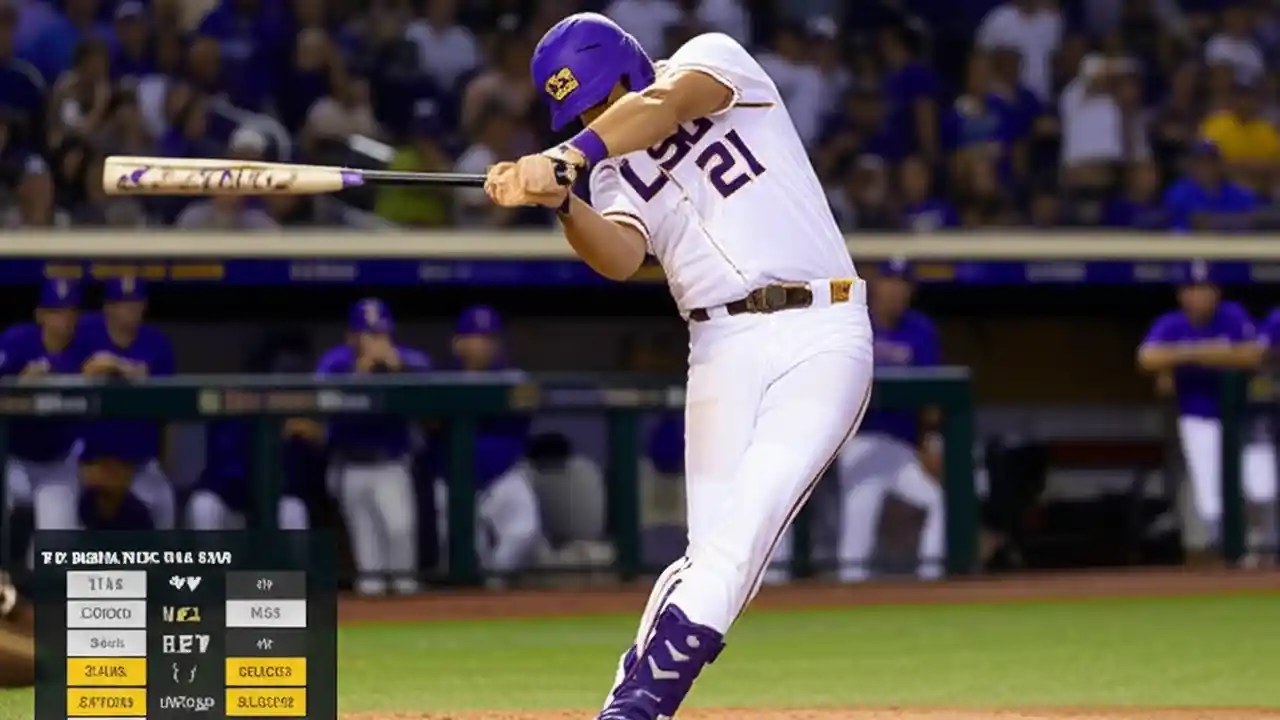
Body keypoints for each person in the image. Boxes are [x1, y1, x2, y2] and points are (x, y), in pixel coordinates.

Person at [484, 15, 873, 719]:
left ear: (631, 64)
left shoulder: (708, 60)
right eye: (582, 112)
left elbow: (664, 106)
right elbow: (622, 257)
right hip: (719, 348)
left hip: (821, 328)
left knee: (748, 527)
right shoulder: (607, 165)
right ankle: (625, 706)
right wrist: (564, 202)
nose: (598, 116)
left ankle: (638, 707)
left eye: (605, 96)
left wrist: (567, 157)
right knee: (713, 557)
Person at [1137, 263, 1274, 558]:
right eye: (1192, 289)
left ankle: (1262, 547)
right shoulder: (1170, 323)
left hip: (1243, 416)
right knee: (1211, 499)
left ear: (1217, 292)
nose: (1199, 296)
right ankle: (1230, 554)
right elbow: (1147, 358)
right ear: (1181, 295)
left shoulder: (1233, 315)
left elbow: (1253, 355)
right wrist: (1212, 353)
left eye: (1205, 289)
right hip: (1198, 416)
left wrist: (1180, 358)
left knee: (1263, 488)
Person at [837, 260, 944, 582]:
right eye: (889, 281)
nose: (895, 290)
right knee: (860, 508)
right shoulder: (854, 323)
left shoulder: (920, 329)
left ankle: (932, 580)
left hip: (901, 448)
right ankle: (846, 589)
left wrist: (931, 443)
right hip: (859, 443)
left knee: (936, 501)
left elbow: (934, 394)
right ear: (875, 285)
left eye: (903, 283)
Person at [319, 298, 431, 595]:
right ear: (351, 337)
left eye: (382, 334)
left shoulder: (406, 360)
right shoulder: (336, 362)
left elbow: (430, 381)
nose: (376, 342)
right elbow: (319, 399)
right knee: (368, 559)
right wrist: (359, 375)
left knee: (400, 530)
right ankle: (374, 610)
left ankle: (408, 597)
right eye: (369, 335)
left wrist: (399, 370)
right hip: (349, 465)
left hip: (391, 464)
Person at [436, 306, 541, 583]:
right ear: (458, 343)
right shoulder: (440, 379)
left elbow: (528, 399)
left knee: (524, 532)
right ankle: (471, 596)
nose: (484, 345)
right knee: (465, 549)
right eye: (476, 337)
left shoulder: (513, 378)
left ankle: (495, 586)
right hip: (455, 480)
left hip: (503, 475)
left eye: (490, 338)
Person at [70, 276, 177, 530]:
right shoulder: (85, 333)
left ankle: (163, 569)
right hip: (86, 461)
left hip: (137, 463)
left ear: (144, 306)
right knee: (64, 511)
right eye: (121, 303)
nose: (129, 310)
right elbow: (69, 376)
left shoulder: (157, 344)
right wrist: (99, 368)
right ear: (107, 307)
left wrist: (165, 462)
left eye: (135, 303)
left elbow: (169, 411)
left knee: (164, 503)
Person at [0, 280, 86, 531]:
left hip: (56, 465)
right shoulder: (15, 341)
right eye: (56, 312)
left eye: (71, 312)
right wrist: (17, 385)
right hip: (12, 460)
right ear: (40, 315)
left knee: (55, 549)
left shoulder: (84, 349)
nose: (64, 320)